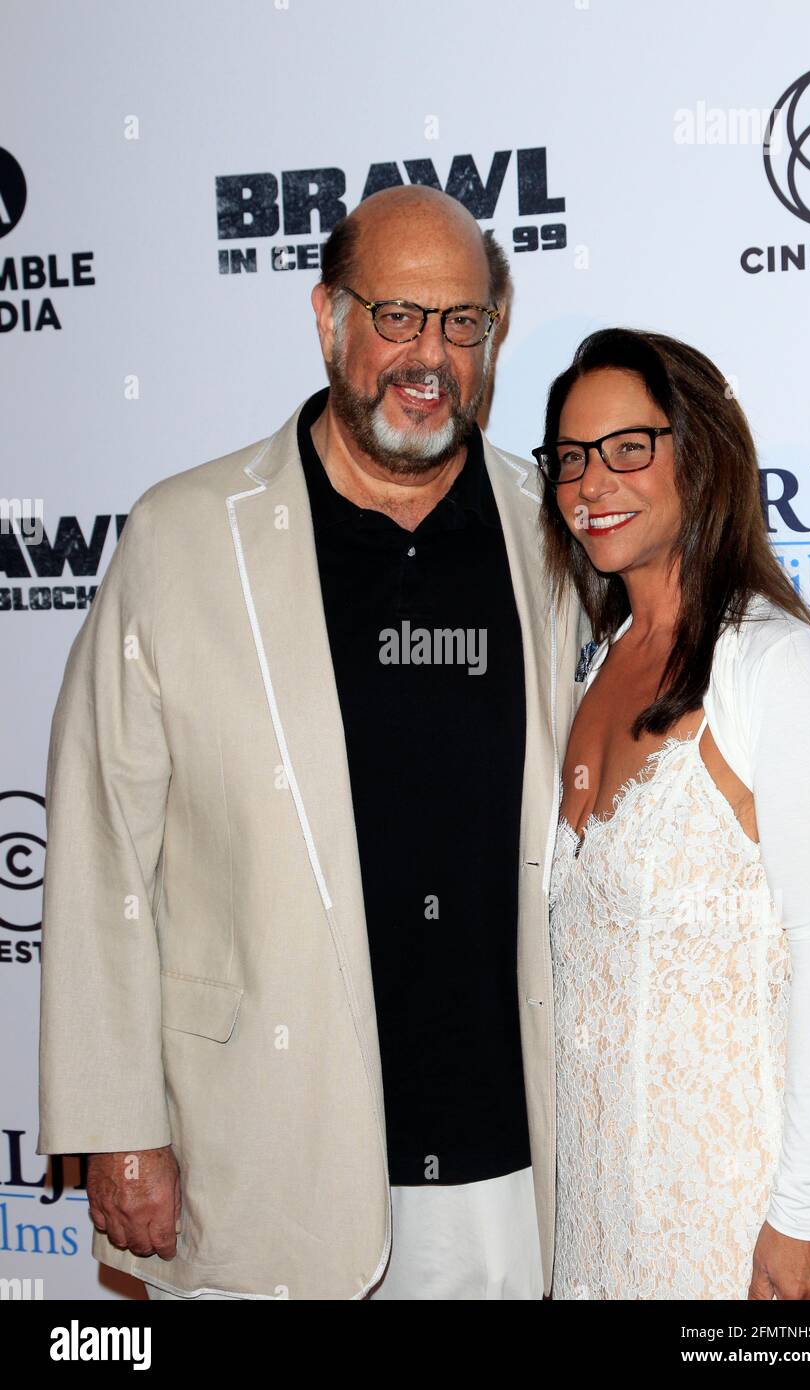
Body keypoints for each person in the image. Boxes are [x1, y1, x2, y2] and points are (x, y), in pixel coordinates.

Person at [36, 185, 590, 1300]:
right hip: (264, 1151)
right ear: (327, 316)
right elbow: (103, 846)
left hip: (512, 1150)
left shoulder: (549, 530)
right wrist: (116, 1124)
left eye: (460, 323)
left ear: (493, 335)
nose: (427, 355)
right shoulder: (183, 533)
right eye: (394, 316)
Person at [534, 326, 810, 1300]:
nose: (591, 483)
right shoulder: (588, 667)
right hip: (597, 1223)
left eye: (627, 447)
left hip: (737, 1219)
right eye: (568, 458)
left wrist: (806, 1210)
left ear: (699, 453)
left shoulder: (771, 663)